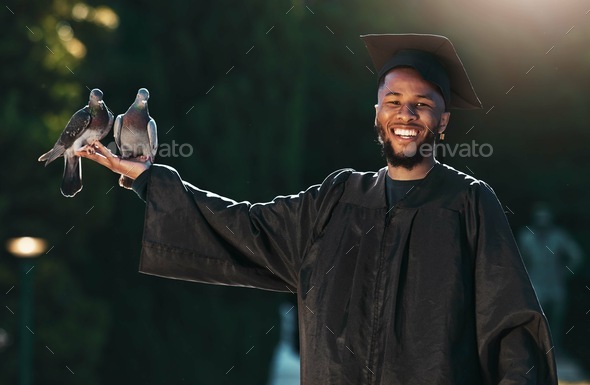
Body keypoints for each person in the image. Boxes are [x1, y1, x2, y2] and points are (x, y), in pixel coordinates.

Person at [77, 34, 557, 384]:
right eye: (393, 100)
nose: (406, 115)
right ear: (376, 115)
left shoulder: (470, 205)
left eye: (422, 105)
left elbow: (512, 329)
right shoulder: (336, 200)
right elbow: (245, 227)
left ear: (443, 121)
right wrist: (152, 180)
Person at [518, 203, 584, 352]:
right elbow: (519, 259)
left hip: (555, 284)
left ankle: (554, 350)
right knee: (535, 319)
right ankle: (535, 349)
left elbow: (576, 256)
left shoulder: (559, 236)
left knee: (556, 321)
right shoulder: (526, 236)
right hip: (535, 284)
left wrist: (565, 272)